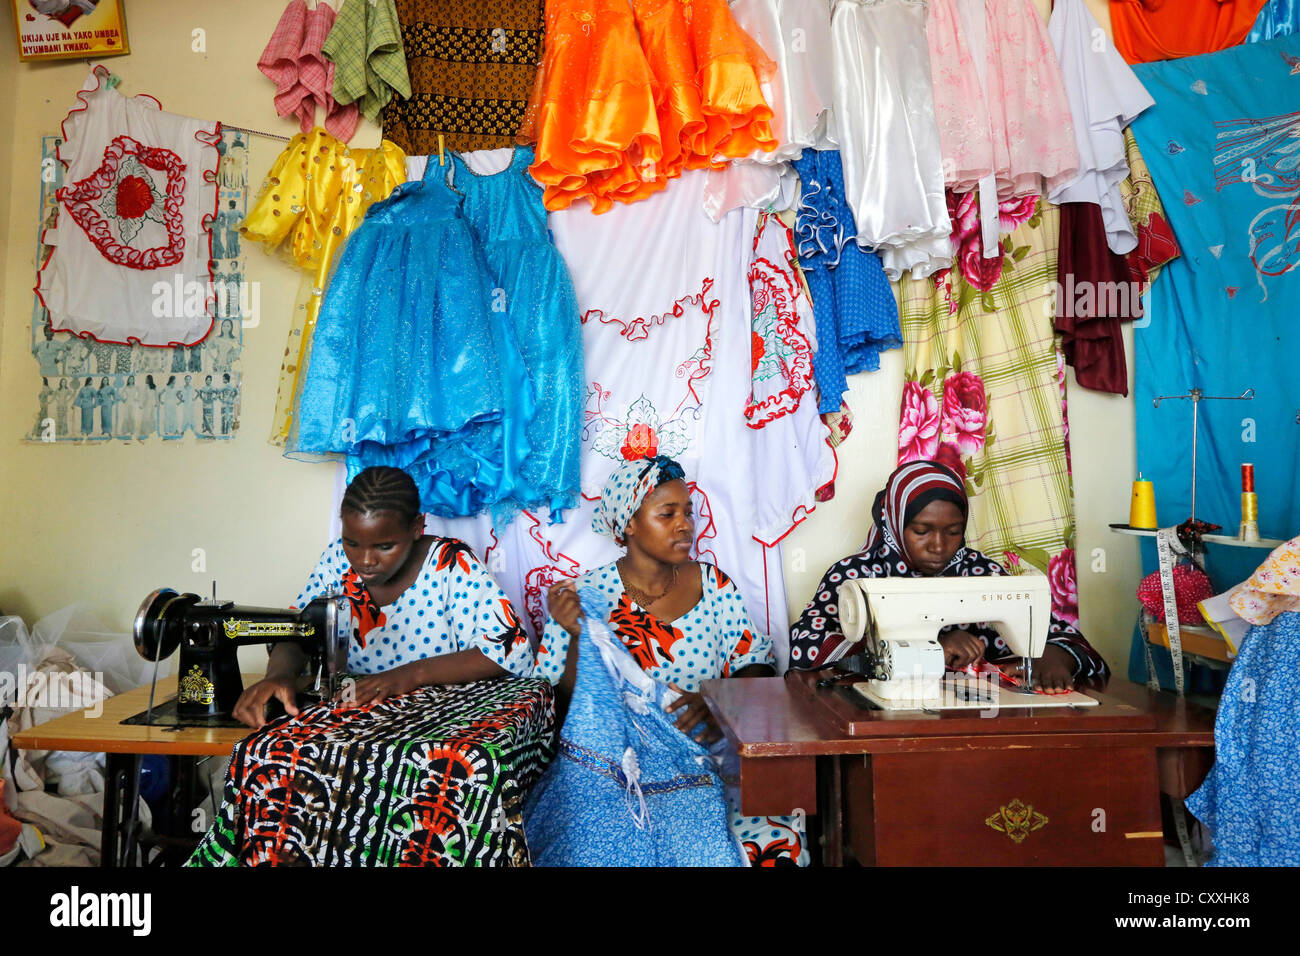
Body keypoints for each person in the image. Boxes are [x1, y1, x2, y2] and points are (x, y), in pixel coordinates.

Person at [534, 455, 808, 865]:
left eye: (688, 512)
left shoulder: (713, 584)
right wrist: (577, 635)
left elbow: (755, 664)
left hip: (704, 751)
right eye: (667, 514)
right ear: (629, 523)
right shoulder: (583, 596)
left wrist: (719, 702)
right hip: (621, 767)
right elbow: (566, 707)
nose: (685, 525)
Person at [233, 465, 535, 729]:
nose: (365, 560)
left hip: (442, 721)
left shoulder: (452, 563)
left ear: (417, 527)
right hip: (357, 718)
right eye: (352, 543)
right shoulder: (336, 560)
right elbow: (300, 628)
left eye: (385, 547)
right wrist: (280, 675)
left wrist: (407, 676)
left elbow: (508, 651)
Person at [789, 459, 1108, 691]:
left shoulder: (982, 573)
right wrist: (930, 650)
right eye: (922, 531)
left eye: (953, 532)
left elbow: (1057, 633)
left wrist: (1057, 656)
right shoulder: (854, 576)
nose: (939, 546)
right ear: (896, 523)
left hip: (971, 725)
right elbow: (804, 648)